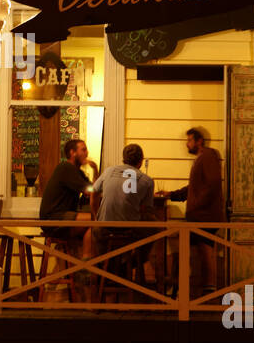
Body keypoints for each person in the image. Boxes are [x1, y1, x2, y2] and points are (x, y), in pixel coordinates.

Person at [166, 126, 225, 296]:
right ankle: (194, 287)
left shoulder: (207, 156)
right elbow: (194, 188)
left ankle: (183, 288)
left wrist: (197, 204)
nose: (187, 144)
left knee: (197, 248)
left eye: (189, 140)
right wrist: (172, 195)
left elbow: (213, 183)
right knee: (199, 248)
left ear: (199, 141)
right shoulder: (203, 158)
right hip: (201, 215)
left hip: (204, 216)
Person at [39, 138, 99, 297]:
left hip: (64, 217)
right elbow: (90, 191)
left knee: (95, 225)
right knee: (97, 221)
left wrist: (95, 170)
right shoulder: (66, 168)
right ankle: (85, 268)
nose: (86, 153)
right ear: (72, 153)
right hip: (53, 218)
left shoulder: (77, 172)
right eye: (83, 149)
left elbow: (94, 189)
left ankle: (85, 264)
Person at [91, 144, 156, 282]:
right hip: (129, 231)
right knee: (154, 228)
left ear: (123, 158)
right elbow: (146, 209)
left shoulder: (108, 171)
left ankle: (107, 270)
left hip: (103, 229)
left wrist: (96, 215)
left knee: (98, 235)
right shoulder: (147, 181)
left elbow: (93, 192)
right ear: (141, 161)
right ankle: (131, 264)